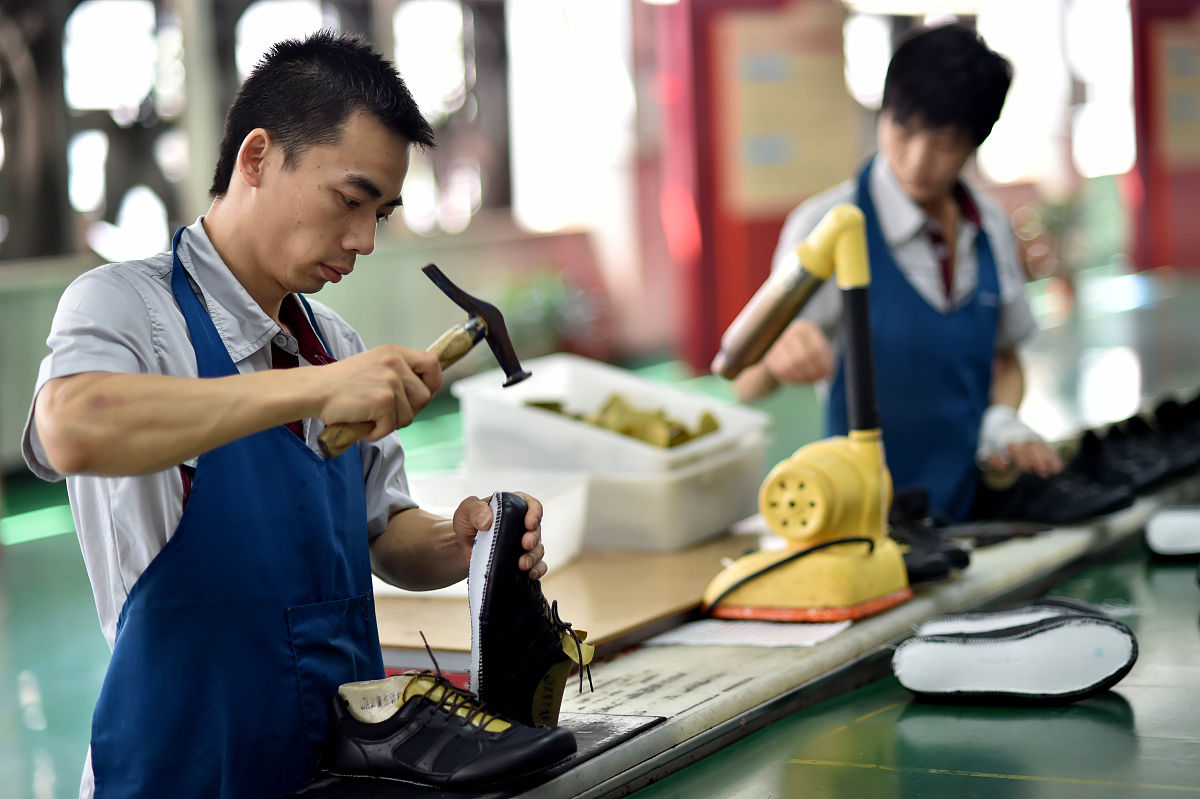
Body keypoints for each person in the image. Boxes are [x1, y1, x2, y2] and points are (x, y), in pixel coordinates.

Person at [21, 30, 549, 799]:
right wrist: (311, 390)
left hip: (336, 768)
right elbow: (70, 426)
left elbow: (382, 533)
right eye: (350, 199)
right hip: (182, 768)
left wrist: (460, 538)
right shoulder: (125, 305)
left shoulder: (331, 340)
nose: (364, 240)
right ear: (257, 157)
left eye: (383, 213)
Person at [733, 23, 1062, 523]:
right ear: (882, 114)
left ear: (976, 142)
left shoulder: (990, 225)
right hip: (861, 517)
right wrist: (776, 355)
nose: (917, 160)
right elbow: (745, 383)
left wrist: (1002, 419)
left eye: (945, 142)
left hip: (970, 512)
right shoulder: (826, 227)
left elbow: (1005, 356)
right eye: (902, 130)